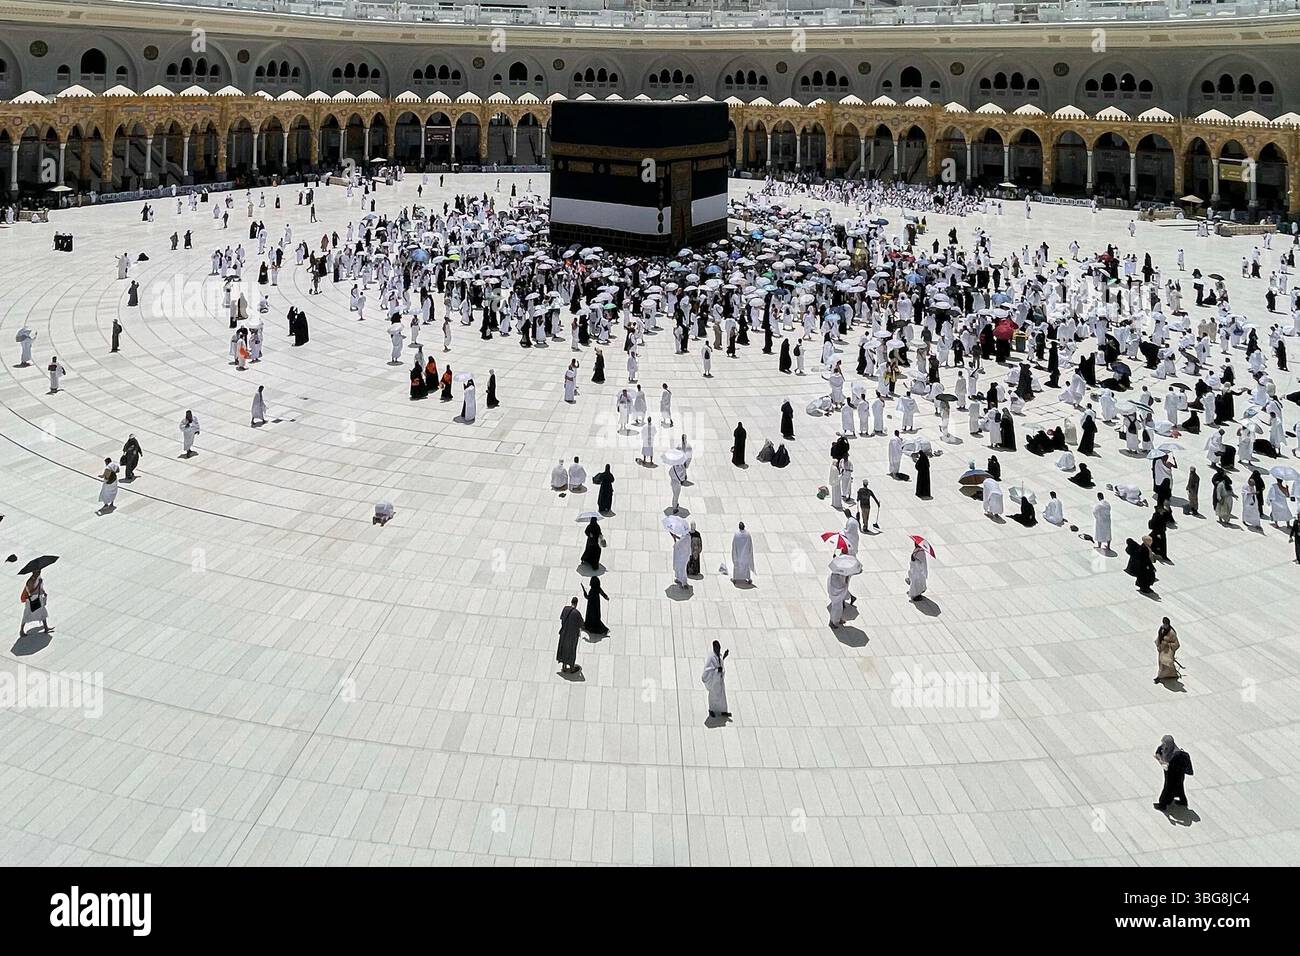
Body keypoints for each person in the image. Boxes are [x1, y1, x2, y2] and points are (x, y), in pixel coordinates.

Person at [1153, 735, 1193, 812]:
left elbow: (1174, 767)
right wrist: (1161, 760)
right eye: (1163, 743)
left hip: (1175, 774)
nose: (1163, 745)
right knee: (1179, 787)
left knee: (1168, 788)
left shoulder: (1177, 754)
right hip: (1169, 771)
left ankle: (1162, 804)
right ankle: (1183, 801)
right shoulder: (1164, 748)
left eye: (1164, 743)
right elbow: (1157, 752)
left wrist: (1165, 764)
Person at [701, 640, 731, 719]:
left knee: (722, 696)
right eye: (717, 648)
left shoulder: (719, 655)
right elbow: (708, 670)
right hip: (714, 681)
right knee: (713, 696)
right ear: (714, 648)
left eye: (719, 648)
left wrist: (724, 657)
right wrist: (717, 671)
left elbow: (720, 662)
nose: (718, 650)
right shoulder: (711, 658)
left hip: (719, 680)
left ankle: (723, 711)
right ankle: (711, 710)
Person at [18, 570, 52, 639]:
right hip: (32, 599)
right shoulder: (30, 581)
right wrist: (38, 584)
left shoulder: (39, 578)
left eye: (39, 571)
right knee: (27, 614)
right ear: (33, 572)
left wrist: (44, 592)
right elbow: (30, 592)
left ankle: (46, 628)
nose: (39, 573)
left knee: (42, 611)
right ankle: (21, 631)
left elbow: (41, 587)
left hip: (38, 597)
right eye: (37, 572)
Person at [556, 596, 584, 675]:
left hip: (564, 633)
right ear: (576, 603)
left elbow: (562, 618)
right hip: (572, 635)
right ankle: (572, 668)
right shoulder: (577, 613)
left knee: (564, 648)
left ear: (571, 602)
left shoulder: (565, 609)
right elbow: (581, 624)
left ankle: (564, 666)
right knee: (571, 650)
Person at [1155, 618, 1180, 683]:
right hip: (1162, 650)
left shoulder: (1172, 633)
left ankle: (1160, 676)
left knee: (1166, 663)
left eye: (1166, 624)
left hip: (1168, 651)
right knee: (1161, 664)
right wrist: (1158, 644)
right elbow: (1159, 637)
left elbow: (1176, 644)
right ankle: (1170, 674)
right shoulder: (1161, 629)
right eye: (1164, 624)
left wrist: (1168, 644)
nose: (1165, 625)